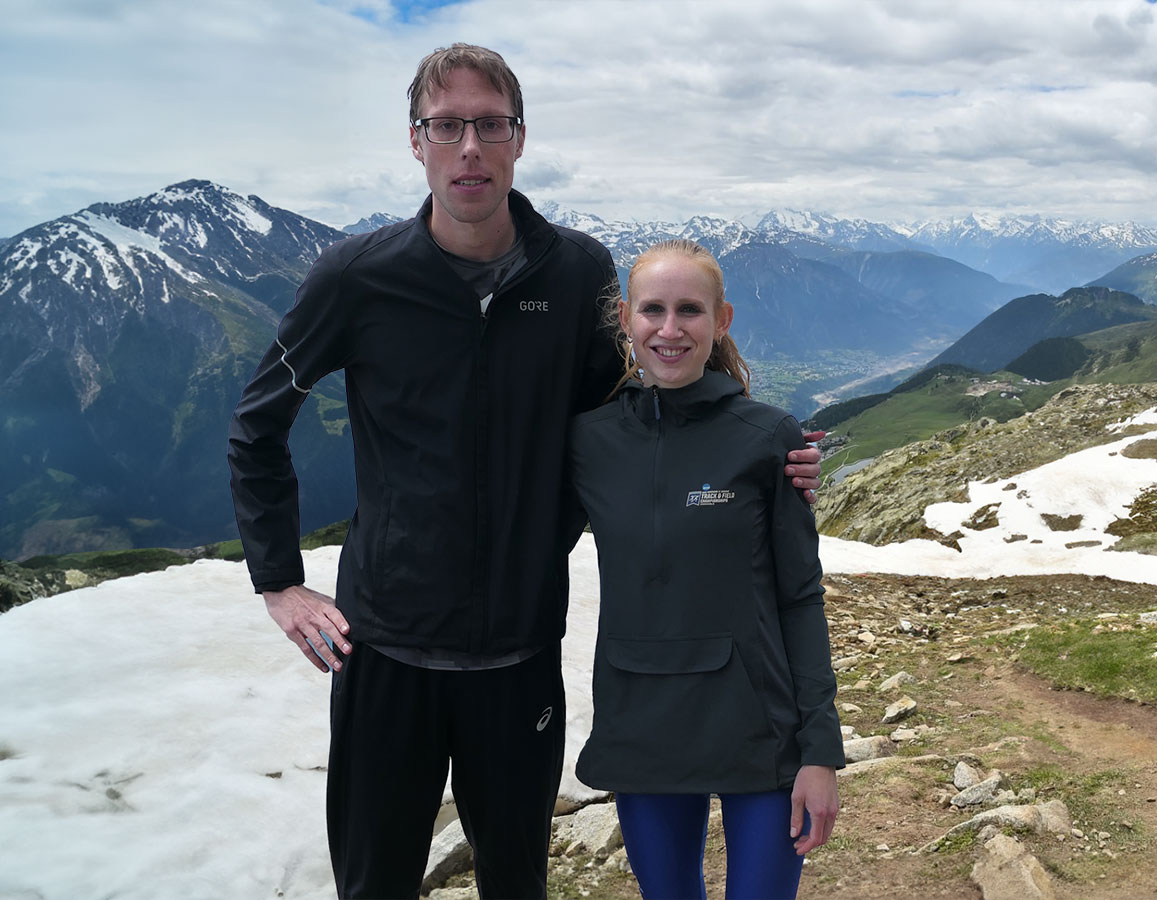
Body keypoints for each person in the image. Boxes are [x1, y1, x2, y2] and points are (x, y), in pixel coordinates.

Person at [226, 45, 823, 899]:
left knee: (518, 886)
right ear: (416, 141)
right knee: (374, 884)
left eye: (489, 125)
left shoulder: (575, 273)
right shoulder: (357, 278)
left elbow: (629, 410)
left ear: (518, 139)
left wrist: (764, 458)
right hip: (386, 650)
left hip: (518, 656)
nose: (469, 145)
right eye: (447, 125)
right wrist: (280, 581)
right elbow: (257, 424)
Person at [567, 239, 845, 900]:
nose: (669, 329)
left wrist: (821, 751)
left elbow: (800, 598)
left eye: (689, 310)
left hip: (759, 725)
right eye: (652, 310)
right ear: (625, 319)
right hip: (643, 725)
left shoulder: (768, 436)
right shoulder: (586, 441)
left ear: (720, 321)